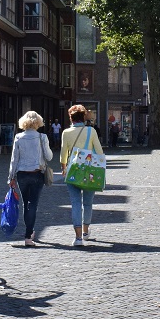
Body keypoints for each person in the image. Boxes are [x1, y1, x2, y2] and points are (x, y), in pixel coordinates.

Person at [7, 110, 53, 247]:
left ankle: (29, 232)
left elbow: (14, 159)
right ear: (38, 122)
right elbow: (49, 156)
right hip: (37, 173)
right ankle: (28, 235)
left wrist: (11, 177)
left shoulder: (18, 137)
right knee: (33, 204)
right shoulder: (42, 137)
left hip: (22, 174)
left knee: (25, 203)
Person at [60, 104, 103, 246]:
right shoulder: (91, 131)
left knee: (75, 203)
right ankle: (85, 232)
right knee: (88, 203)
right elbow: (99, 152)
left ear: (71, 118)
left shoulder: (66, 132)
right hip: (89, 171)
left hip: (72, 171)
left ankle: (78, 237)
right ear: (83, 117)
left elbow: (63, 154)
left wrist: (64, 168)